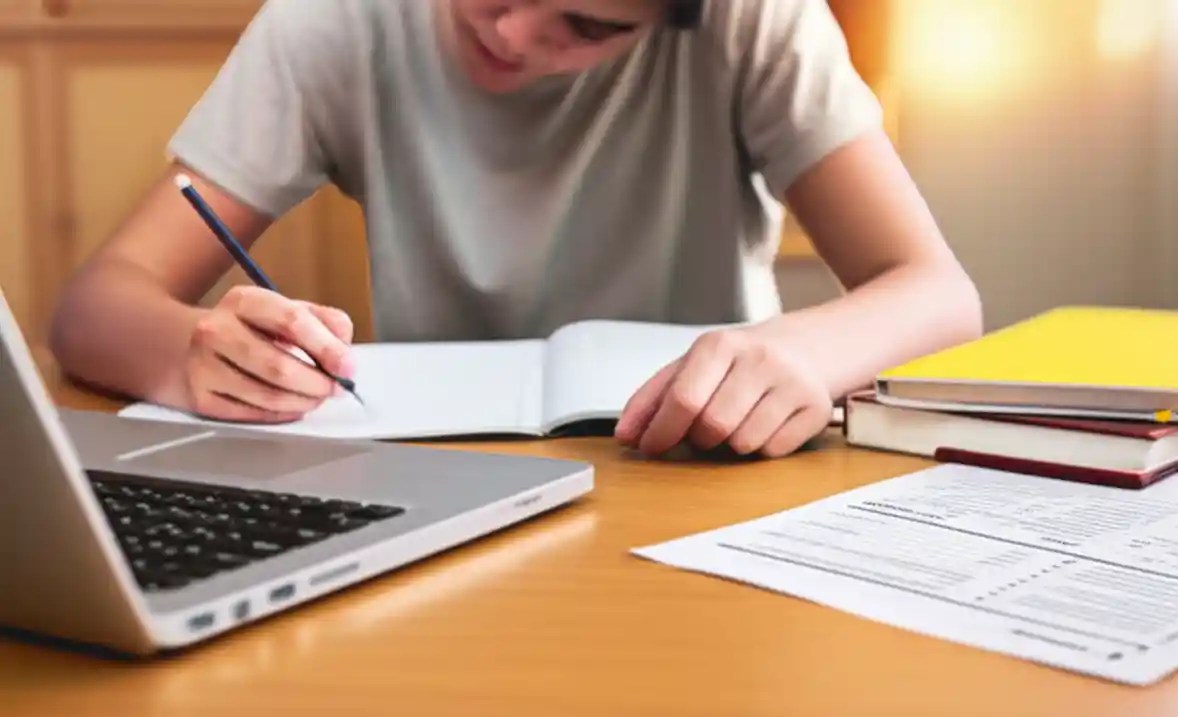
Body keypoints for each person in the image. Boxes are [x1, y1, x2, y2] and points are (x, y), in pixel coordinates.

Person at [50, 0, 982, 459]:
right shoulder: (335, 22)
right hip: (435, 476)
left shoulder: (757, 21)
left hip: (708, 476)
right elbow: (98, 303)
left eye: (586, 23)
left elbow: (938, 292)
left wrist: (809, 350)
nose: (507, 28)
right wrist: (190, 350)